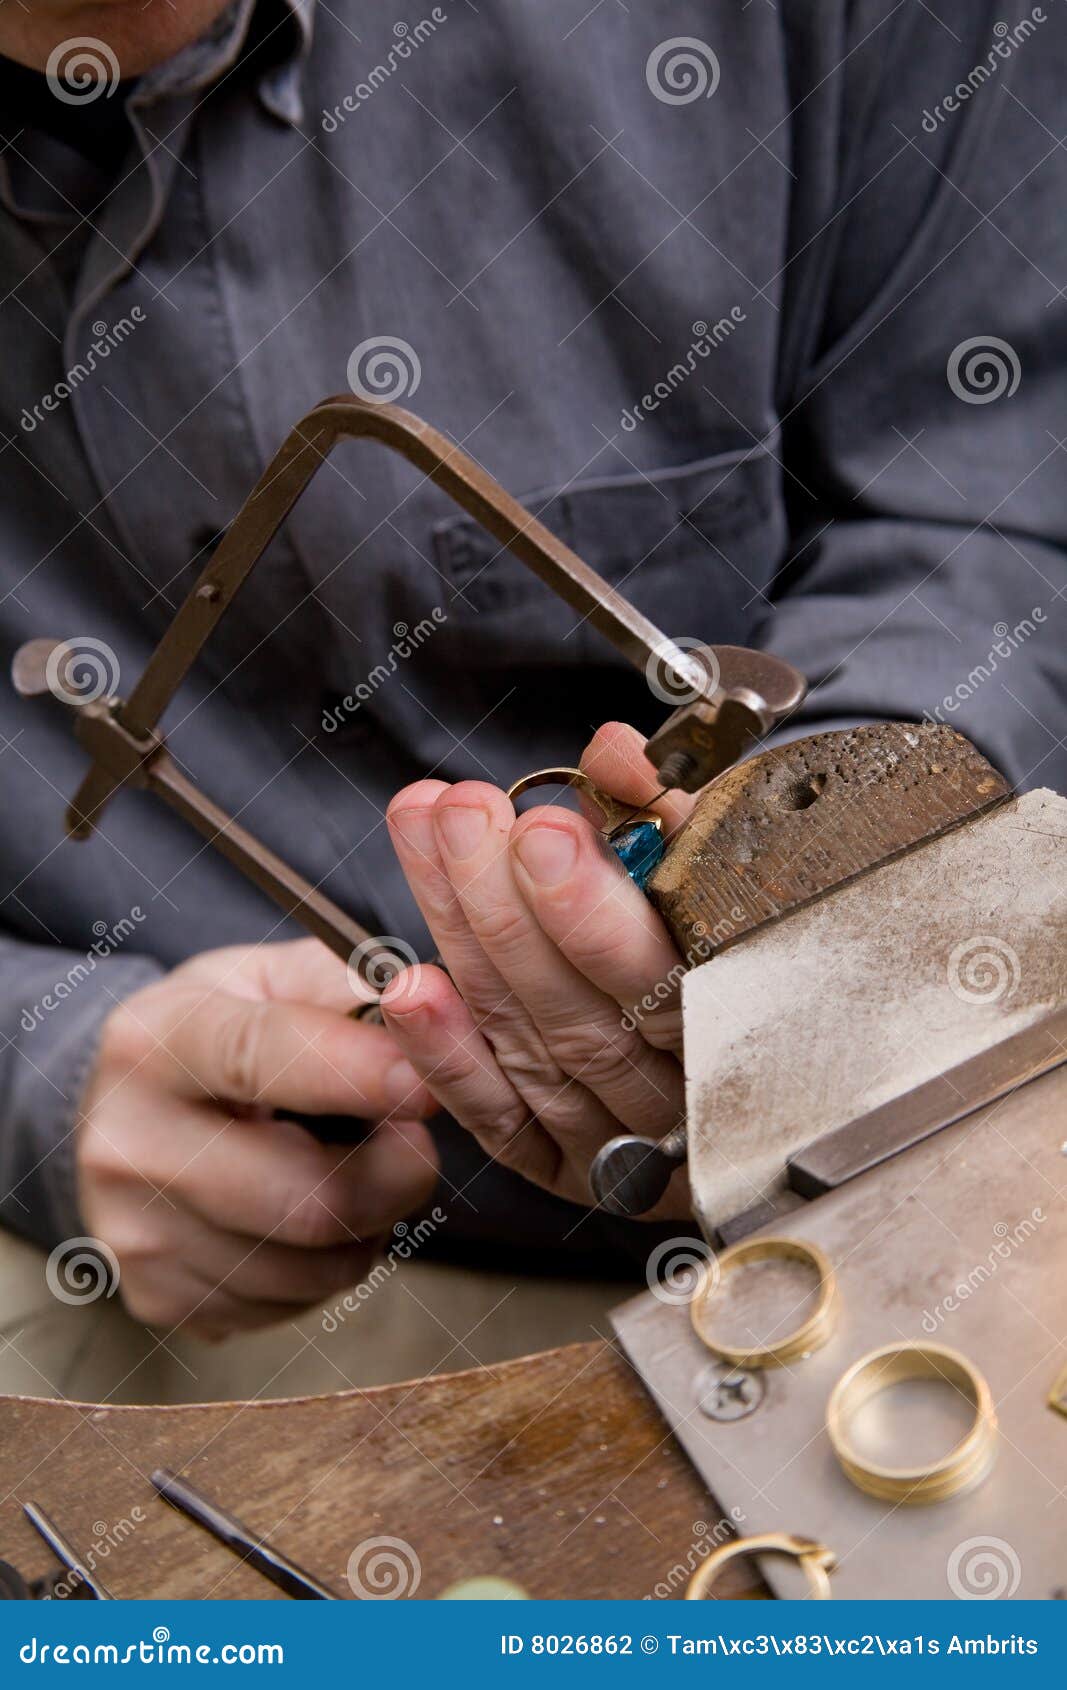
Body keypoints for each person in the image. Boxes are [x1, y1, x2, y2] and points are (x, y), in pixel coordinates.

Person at [1, 0, 1063, 1401]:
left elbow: (999, 504)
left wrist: (811, 904)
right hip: (180, 1275)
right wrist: (42, 1072)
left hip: (921, 1154)